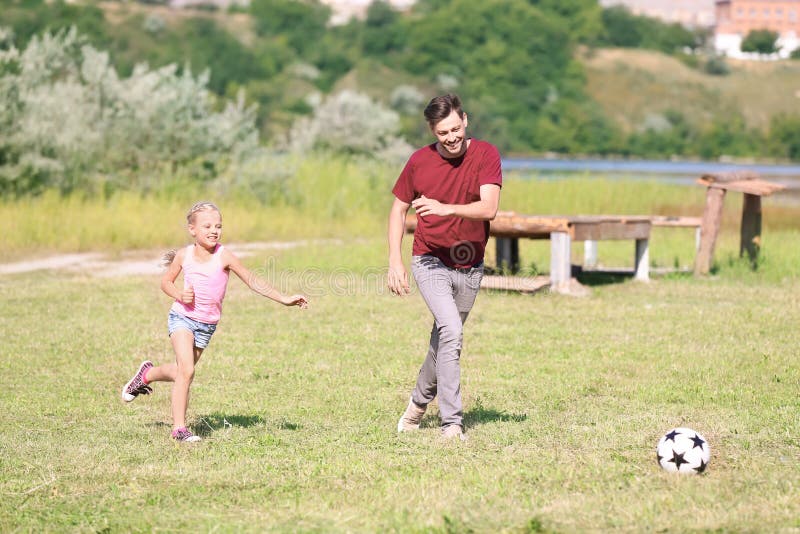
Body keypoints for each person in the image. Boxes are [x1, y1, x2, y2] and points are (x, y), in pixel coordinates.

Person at [121, 201, 308, 443]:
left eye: (218, 226)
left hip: (207, 326)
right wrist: (179, 295)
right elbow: (166, 282)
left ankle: (147, 374)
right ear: (192, 230)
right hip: (182, 318)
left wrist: (283, 298)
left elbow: (252, 280)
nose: (214, 230)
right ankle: (179, 429)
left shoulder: (224, 256)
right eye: (207, 226)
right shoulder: (184, 255)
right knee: (187, 370)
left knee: (181, 372)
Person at [388, 94, 502, 440]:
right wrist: (395, 258)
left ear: (465, 120)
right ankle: (452, 423)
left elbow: (488, 209)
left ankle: (416, 406)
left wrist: (446, 208)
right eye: (442, 133)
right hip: (430, 260)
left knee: (444, 340)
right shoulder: (419, 162)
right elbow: (398, 209)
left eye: (455, 129)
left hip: (470, 265)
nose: (451, 138)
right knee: (452, 331)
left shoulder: (486, 154)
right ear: (432, 131)